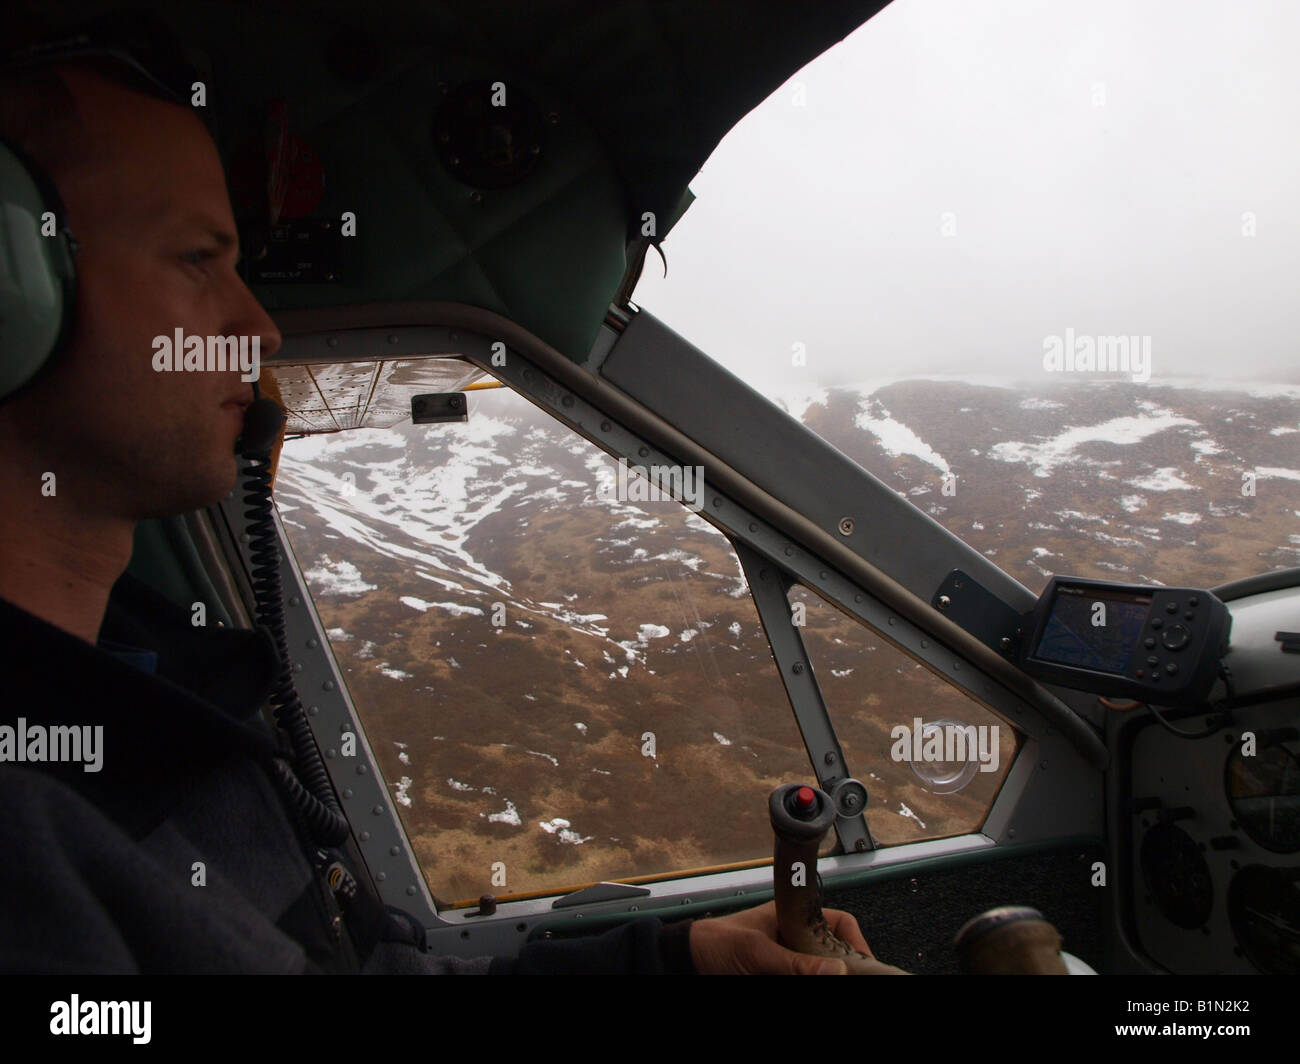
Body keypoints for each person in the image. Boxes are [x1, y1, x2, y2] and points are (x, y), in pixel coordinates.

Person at [0, 46, 890, 975]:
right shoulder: (31, 849)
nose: (257, 327)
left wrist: (677, 960)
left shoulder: (144, 683)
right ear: (14, 290)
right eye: (196, 260)